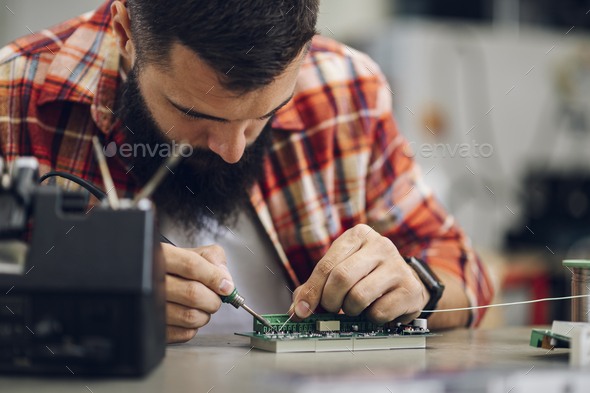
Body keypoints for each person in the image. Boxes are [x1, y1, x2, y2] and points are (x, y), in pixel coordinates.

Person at [0, 0, 494, 343]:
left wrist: (417, 287)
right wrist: (74, 302)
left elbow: (464, 269)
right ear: (126, 34)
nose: (233, 150)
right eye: (197, 114)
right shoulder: (14, 93)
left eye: (264, 114)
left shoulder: (345, 89)